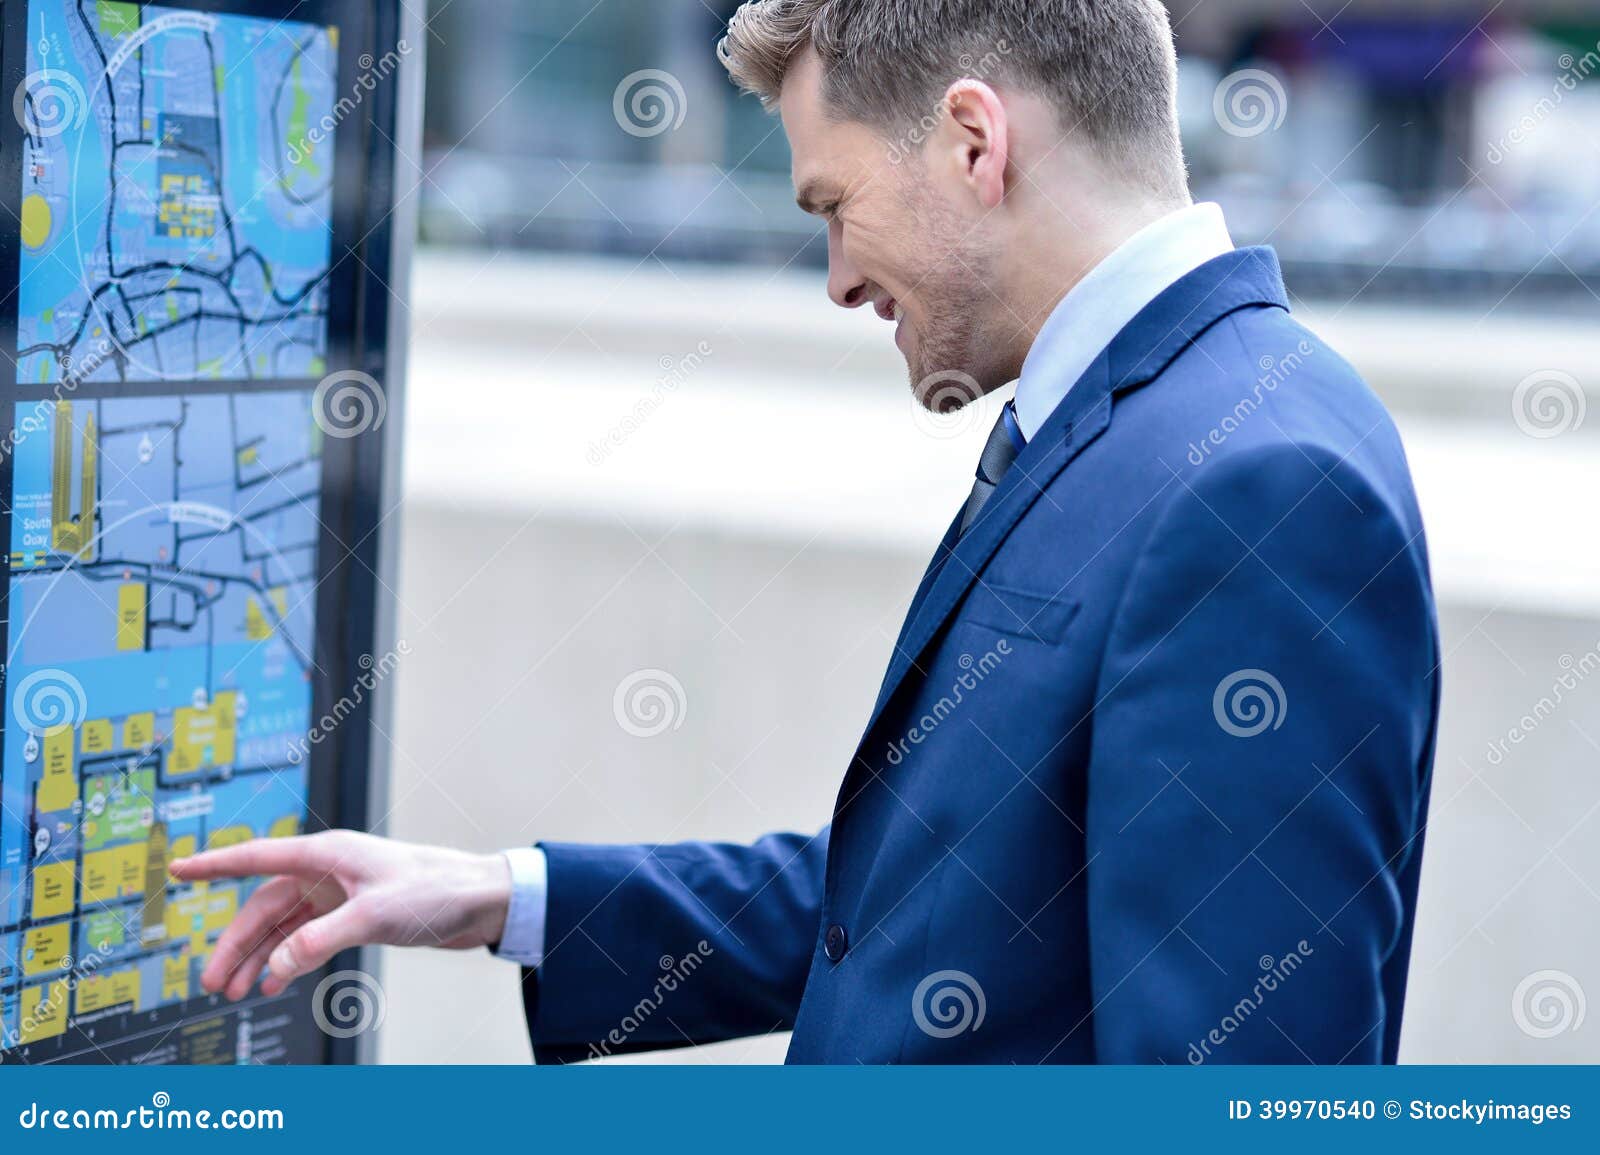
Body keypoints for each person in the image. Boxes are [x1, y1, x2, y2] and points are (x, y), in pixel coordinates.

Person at [171, 0, 1439, 1064]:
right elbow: (940, 892)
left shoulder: (1259, 486)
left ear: (970, 142)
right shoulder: (1164, 421)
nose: (836, 276)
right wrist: (503, 898)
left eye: (833, 203)